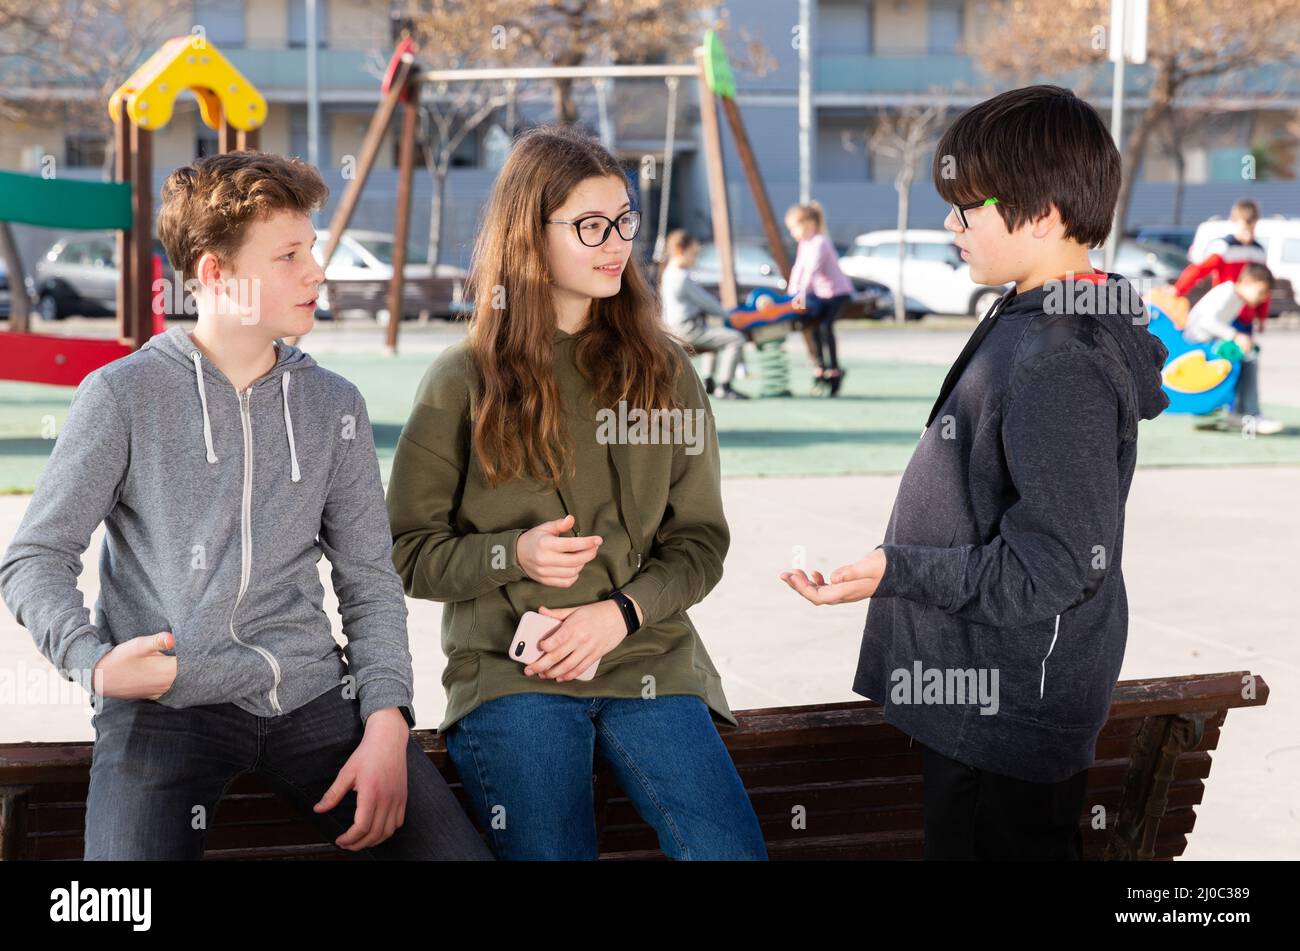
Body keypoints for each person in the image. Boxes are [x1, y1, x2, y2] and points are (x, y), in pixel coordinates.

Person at [0, 151, 491, 861]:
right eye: (289, 254)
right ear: (214, 273)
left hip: (313, 699)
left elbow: (369, 578)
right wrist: (95, 663)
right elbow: (34, 559)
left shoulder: (334, 405)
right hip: (166, 708)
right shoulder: (122, 396)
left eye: (311, 248)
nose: (315, 271)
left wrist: (387, 716)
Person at [779, 85, 1171, 860]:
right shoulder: (1033, 313)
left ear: (1047, 212)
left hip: (1008, 712)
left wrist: (898, 568)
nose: (951, 226)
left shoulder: (1062, 355)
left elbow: (1055, 566)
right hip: (982, 697)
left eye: (968, 207)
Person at [385, 125, 766, 861]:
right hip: (509, 671)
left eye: (624, 220)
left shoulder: (667, 373)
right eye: (591, 225)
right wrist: (511, 554)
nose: (616, 241)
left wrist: (621, 613)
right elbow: (406, 553)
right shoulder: (461, 381)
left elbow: (699, 544)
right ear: (529, 235)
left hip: (651, 658)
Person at [1184, 263, 1282, 435]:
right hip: (1197, 344)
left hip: (1206, 341)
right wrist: (1235, 336)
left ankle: (1236, 410)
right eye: (1261, 292)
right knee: (1248, 357)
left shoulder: (1236, 297)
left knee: (1247, 353)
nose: (1263, 298)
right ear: (1248, 281)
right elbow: (1207, 322)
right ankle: (1249, 414)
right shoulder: (1228, 292)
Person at [658, 229, 750, 399]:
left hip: (678, 328)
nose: (696, 257)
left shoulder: (669, 273)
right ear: (680, 250)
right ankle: (725, 385)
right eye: (693, 253)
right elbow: (706, 302)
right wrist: (729, 315)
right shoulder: (680, 277)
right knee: (736, 339)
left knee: (713, 336)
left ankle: (708, 381)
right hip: (687, 330)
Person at [784, 200, 854, 396]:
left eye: (793, 228)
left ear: (808, 223)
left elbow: (811, 272)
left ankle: (834, 369)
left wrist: (801, 294)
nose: (792, 233)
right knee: (812, 325)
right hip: (821, 294)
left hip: (837, 292)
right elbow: (798, 269)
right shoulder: (804, 244)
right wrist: (791, 294)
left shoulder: (820, 242)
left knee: (825, 327)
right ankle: (820, 366)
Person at [1174, 199, 1269, 335]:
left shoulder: (1259, 252)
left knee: (1243, 351)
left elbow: (1263, 288)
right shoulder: (1223, 247)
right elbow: (1200, 270)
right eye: (1244, 230)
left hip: (1246, 315)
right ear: (1233, 223)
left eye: (1252, 229)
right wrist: (1178, 289)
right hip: (1224, 310)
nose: (1248, 236)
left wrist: (1261, 316)